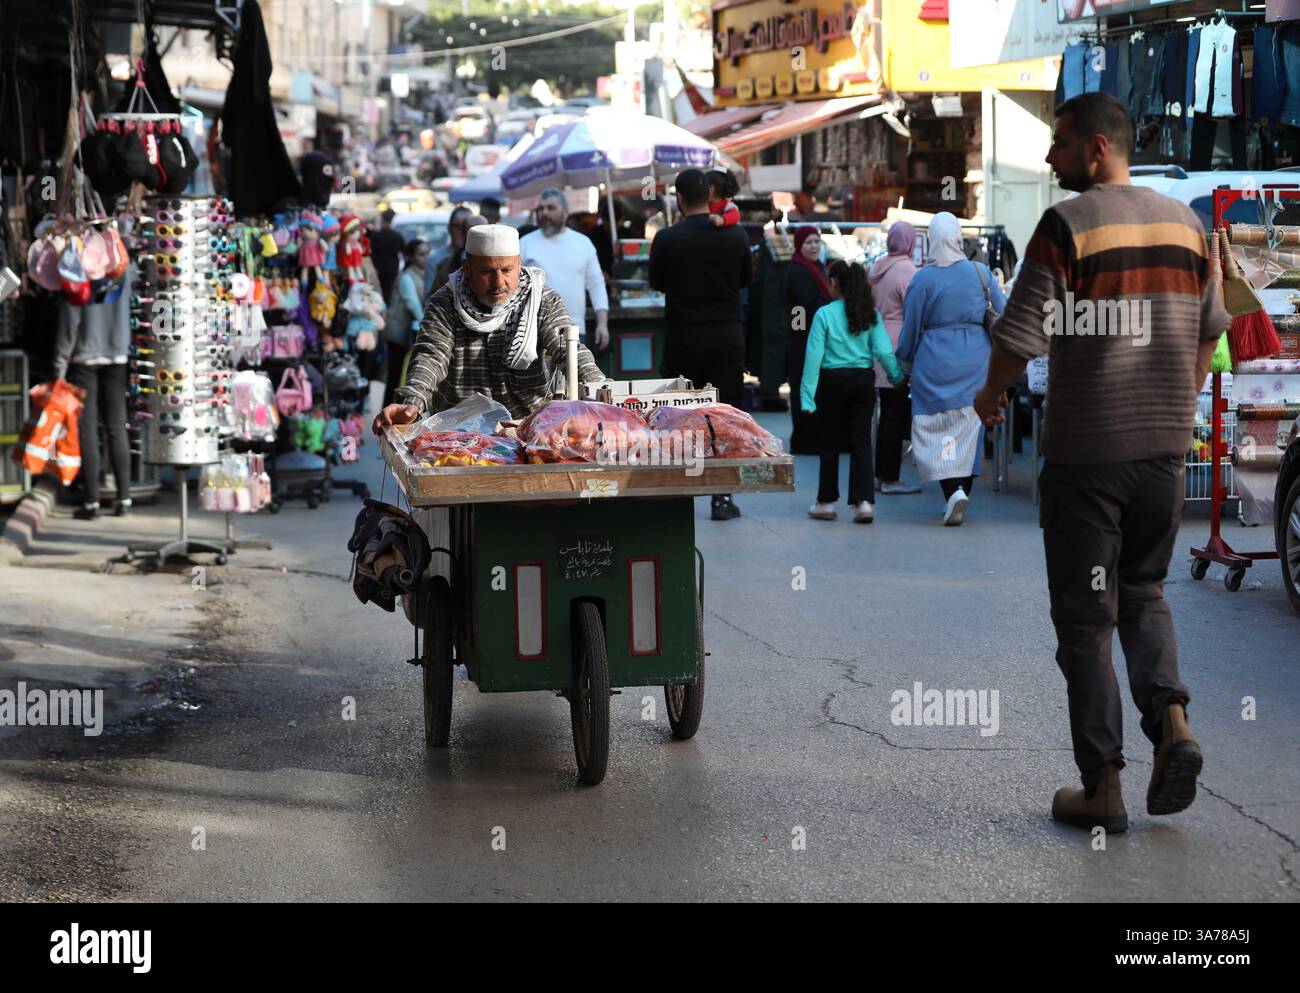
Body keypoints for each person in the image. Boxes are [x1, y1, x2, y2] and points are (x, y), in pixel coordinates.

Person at [973, 92, 1225, 833]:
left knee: (1087, 619)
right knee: (1144, 591)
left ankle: (1103, 787)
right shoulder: (1188, 224)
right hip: (1162, 454)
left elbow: (1019, 335)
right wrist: (1176, 408)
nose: (1049, 159)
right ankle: (1172, 719)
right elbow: (1211, 336)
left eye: (1058, 145)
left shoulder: (1065, 226)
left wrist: (991, 399)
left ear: (1095, 149)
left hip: (1089, 459)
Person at [373, 223, 604, 428]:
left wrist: (605, 393)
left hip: (528, 431)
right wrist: (412, 402)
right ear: (467, 269)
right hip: (458, 436)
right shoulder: (444, 303)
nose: (498, 283)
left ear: (519, 264)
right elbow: (430, 356)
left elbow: (571, 353)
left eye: (506, 271)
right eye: (486, 272)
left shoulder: (541, 300)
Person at [649, 167, 752, 521]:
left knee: (679, 414)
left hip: (684, 337)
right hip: (726, 336)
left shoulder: (666, 238)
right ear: (709, 197)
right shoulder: (736, 236)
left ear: (678, 199)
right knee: (723, 416)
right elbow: (744, 280)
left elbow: (657, 282)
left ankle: (678, 494)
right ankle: (722, 497)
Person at [896, 212, 1006, 526]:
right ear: (959, 238)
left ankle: (953, 491)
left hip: (935, 363)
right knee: (969, 428)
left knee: (939, 430)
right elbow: (1005, 314)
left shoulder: (923, 279)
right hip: (976, 363)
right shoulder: (980, 272)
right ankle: (960, 491)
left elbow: (912, 327)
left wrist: (903, 359)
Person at [802, 260, 904, 524]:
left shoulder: (824, 314)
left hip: (832, 381)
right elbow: (883, 351)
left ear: (834, 282)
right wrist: (896, 377)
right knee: (861, 440)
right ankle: (864, 502)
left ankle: (826, 502)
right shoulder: (870, 314)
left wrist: (807, 396)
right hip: (862, 380)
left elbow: (814, 357)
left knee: (830, 441)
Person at [53, 267, 134, 519]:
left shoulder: (80, 270)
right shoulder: (126, 270)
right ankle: (124, 498)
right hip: (118, 353)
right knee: (116, 426)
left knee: (87, 429)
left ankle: (91, 502)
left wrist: (59, 366)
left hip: (84, 356)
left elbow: (70, 320)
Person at [520, 188, 610, 352]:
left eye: (550, 208)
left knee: (574, 378)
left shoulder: (583, 243)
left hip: (574, 331)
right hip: (534, 333)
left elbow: (596, 285)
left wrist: (602, 324)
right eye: (540, 209)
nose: (544, 213)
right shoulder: (524, 244)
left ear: (566, 211)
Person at [868, 220, 921, 495]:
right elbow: (914, 311)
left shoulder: (879, 266)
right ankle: (889, 478)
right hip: (897, 344)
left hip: (877, 342)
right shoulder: (906, 270)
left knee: (885, 413)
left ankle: (879, 475)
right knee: (895, 414)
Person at [784, 226, 831, 455]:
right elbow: (800, 309)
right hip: (803, 340)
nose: (814, 246)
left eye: (816, 242)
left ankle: (814, 437)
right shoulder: (797, 271)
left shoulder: (816, 267)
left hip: (813, 339)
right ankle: (804, 440)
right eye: (809, 243)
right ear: (799, 246)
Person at [383, 238, 429, 407]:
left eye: (427, 254)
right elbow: (414, 306)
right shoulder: (407, 278)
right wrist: (429, 323)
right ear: (410, 257)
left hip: (410, 333)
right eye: (421, 254)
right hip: (399, 335)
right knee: (395, 378)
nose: (425, 258)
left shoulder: (423, 275)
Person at [429, 213, 486, 298]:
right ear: (463, 234)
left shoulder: (500, 264)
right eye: (473, 233)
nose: (479, 237)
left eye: (483, 232)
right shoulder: (447, 266)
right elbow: (434, 300)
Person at [425, 205, 472, 300]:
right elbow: (429, 299)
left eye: (468, 228)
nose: (463, 232)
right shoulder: (435, 259)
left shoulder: (481, 259)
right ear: (450, 229)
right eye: (458, 226)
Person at [369, 209, 406, 303]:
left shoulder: (376, 236)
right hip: (392, 269)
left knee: (379, 291)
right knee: (389, 292)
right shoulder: (397, 236)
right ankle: (387, 306)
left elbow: (371, 252)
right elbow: (404, 252)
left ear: (382, 220)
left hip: (378, 268)